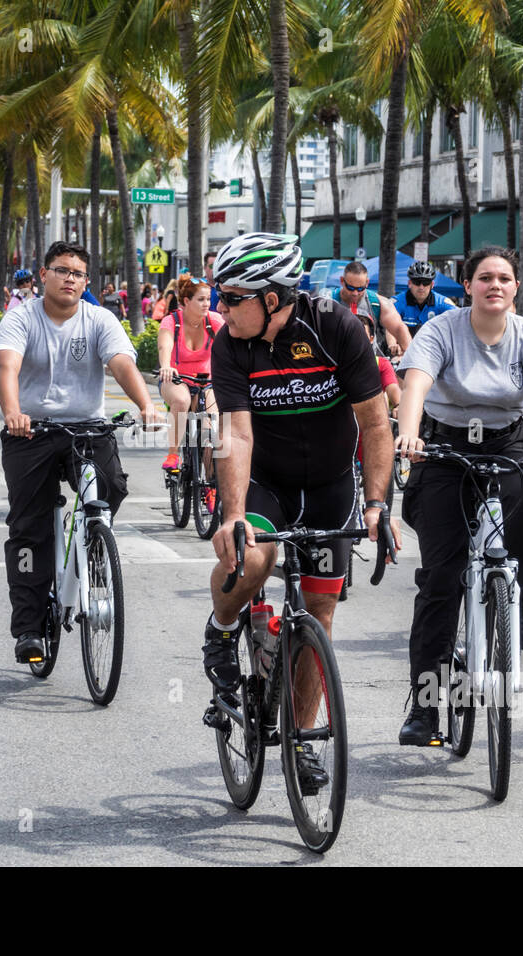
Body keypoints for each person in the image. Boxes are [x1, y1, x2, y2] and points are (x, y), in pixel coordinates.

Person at [202, 233, 400, 787]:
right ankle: (221, 628)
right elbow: (236, 434)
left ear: (271, 298)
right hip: (266, 482)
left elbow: (375, 424)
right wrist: (233, 514)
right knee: (253, 558)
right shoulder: (231, 344)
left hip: (332, 485)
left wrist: (378, 503)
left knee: (320, 611)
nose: (221, 308)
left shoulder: (336, 328)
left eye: (231, 297)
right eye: (218, 296)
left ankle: (302, 737)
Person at [394, 245, 523, 745]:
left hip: (507, 440)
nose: (494, 285)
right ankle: (425, 708)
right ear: (468, 286)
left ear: (515, 287)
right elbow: (416, 386)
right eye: (484, 278)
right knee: (441, 580)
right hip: (444, 445)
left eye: (503, 278)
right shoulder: (442, 330)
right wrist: (409, 434)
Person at [0, 239, 161, 664]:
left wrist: (145, 404)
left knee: (112, 487)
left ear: (86, 281)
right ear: (44, 274)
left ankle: (94, 545)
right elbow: (7, 366)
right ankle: (29, 628)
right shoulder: (21, 318)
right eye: (62, 270)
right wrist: (13, 413)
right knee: (29, 529)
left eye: (78, 274)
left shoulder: (99, 319)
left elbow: (121, 363)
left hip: (87, 429)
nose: (70, 279)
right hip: (31, 432)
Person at [157, 276, 224, 509]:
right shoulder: (171, 321)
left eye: (208, 299)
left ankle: (210, 486)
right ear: (186, 301)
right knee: (181, 400)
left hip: (207, 381)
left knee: (209, 429)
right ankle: (173, 455)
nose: (207, 304)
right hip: (175, 379)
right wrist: (166, 365)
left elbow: (231, 345)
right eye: (201, 299)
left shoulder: (214, 321)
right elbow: (164, 345)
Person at [324, 260, 411, 359]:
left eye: (360, 288)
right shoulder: (327, 301)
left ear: (367, 283)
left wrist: (409, 359)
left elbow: (399, 328)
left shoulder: (378, 303)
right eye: (350, 288)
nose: (355, 293)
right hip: (335, 360)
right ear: (342, 281)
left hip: (368, 361)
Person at [400, 260, 457, 334]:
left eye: (425, 282)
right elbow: (390, 329)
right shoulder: (398, 302)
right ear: (409, 283)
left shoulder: (442, 303)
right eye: (417, 282)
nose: (421, 287)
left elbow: (460, 318)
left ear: (432, 284)